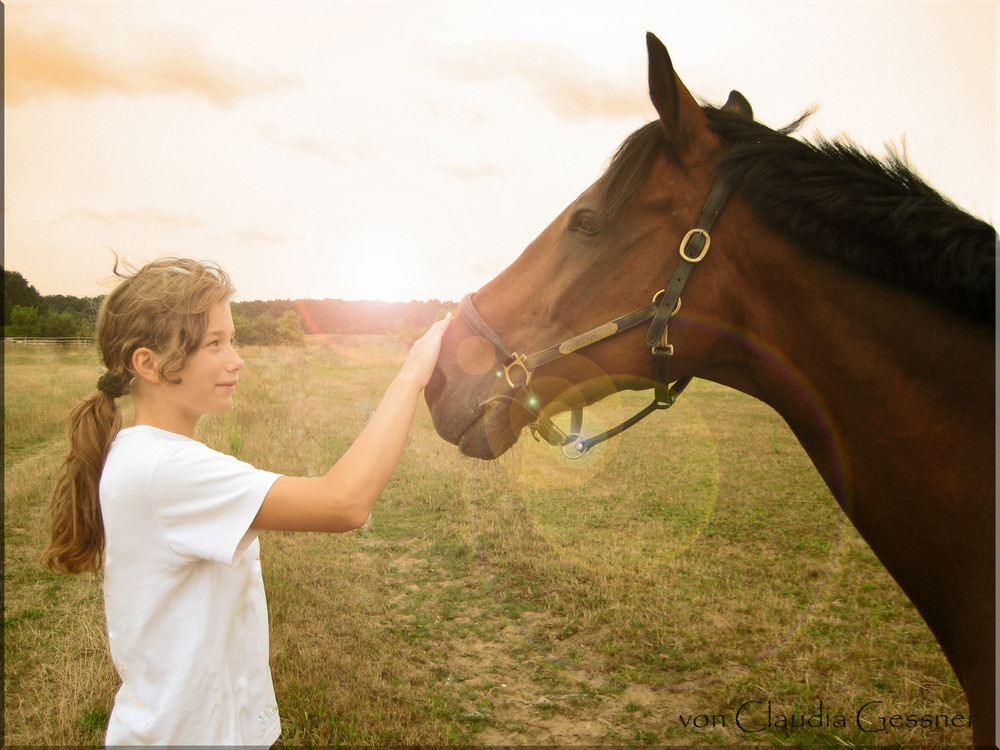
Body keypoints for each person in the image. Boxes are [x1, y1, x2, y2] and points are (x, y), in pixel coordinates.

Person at [41, 256, 452, 745]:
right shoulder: (164, 470)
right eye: (213, 344)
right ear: (148, 363)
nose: (235, 359)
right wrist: (412, 376)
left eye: (231, 339)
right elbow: (344, 502)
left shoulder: (153, 457)